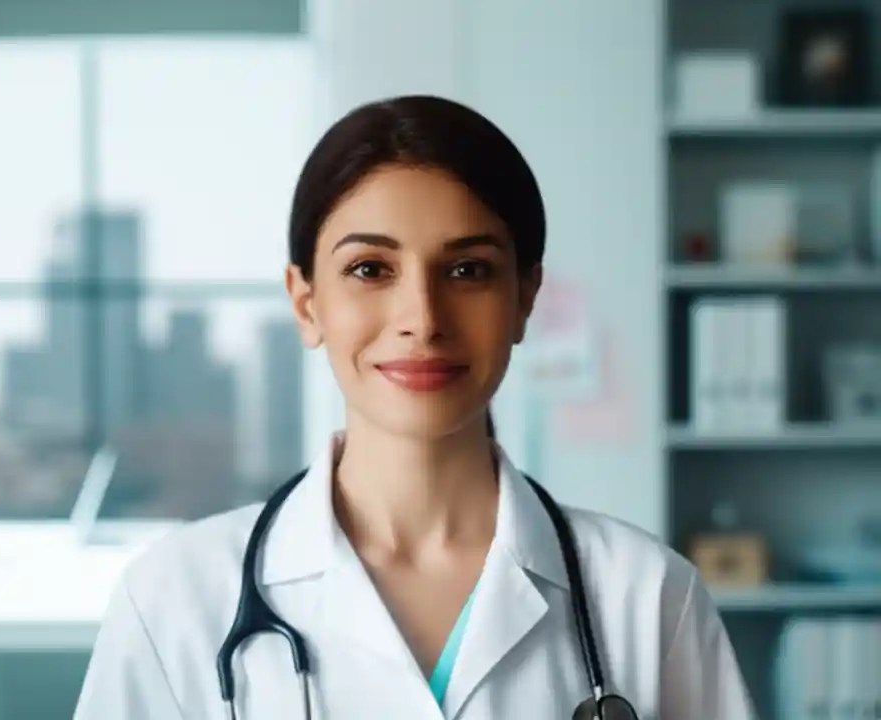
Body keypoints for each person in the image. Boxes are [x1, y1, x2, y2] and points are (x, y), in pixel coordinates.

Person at [73, 95, 755, 719]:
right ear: (306, 301)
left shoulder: (646, 595)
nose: (422, 319)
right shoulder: (175, 600)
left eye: (468, 270)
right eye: (371, 269)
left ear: (524, 298)